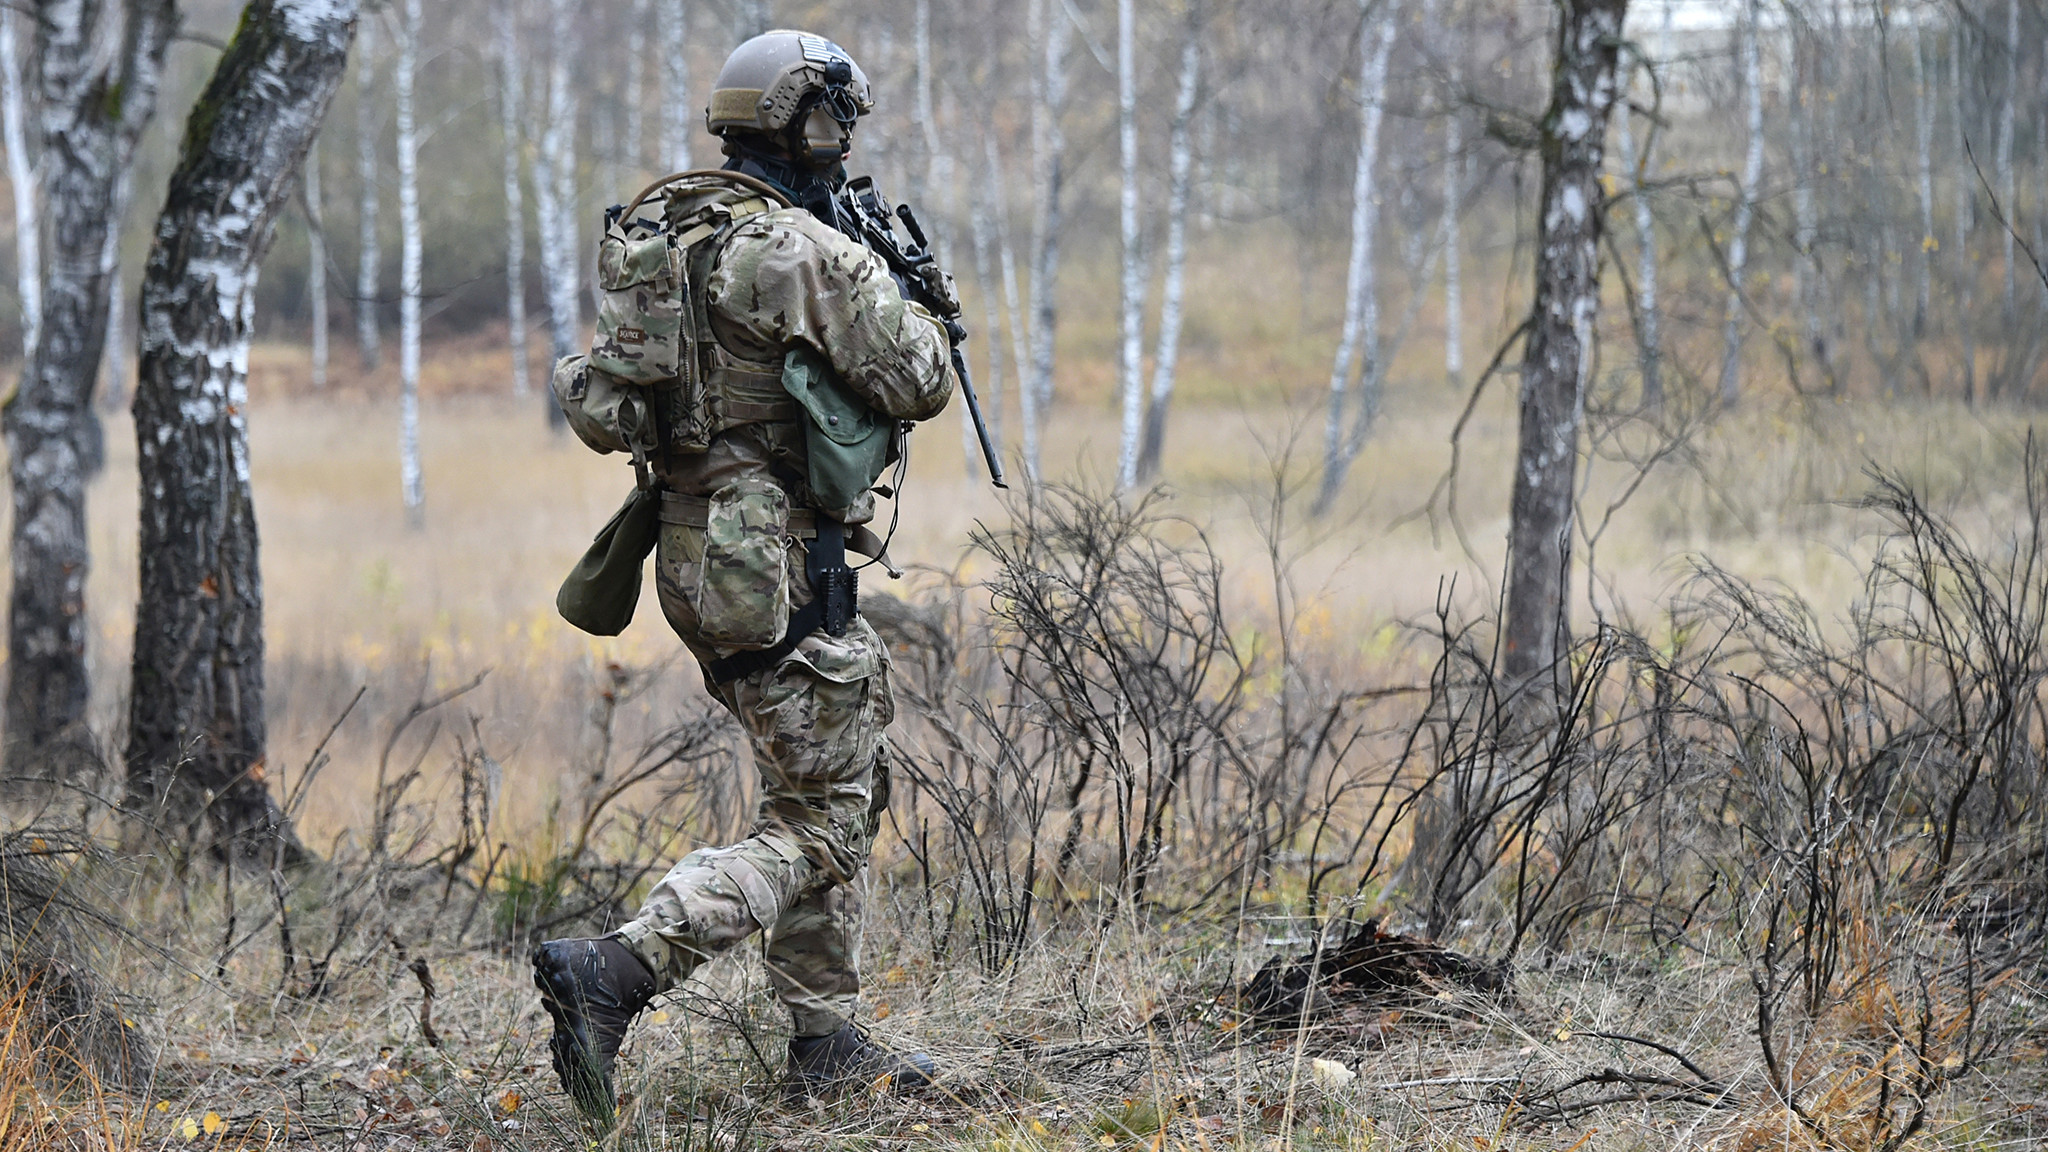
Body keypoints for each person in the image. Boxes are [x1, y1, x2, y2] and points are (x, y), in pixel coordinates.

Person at [530, 29, 955, 1124]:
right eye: (835, 123)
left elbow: (613, 399)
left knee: (827, 788)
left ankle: (822, 1041)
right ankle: (617, 972)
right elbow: (918, 378)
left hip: (693, 552)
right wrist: (919, 301)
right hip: (777, 563)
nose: (844, 142)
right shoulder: (796, 253)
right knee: (823, 821)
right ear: (806, 124)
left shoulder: (661, 233)